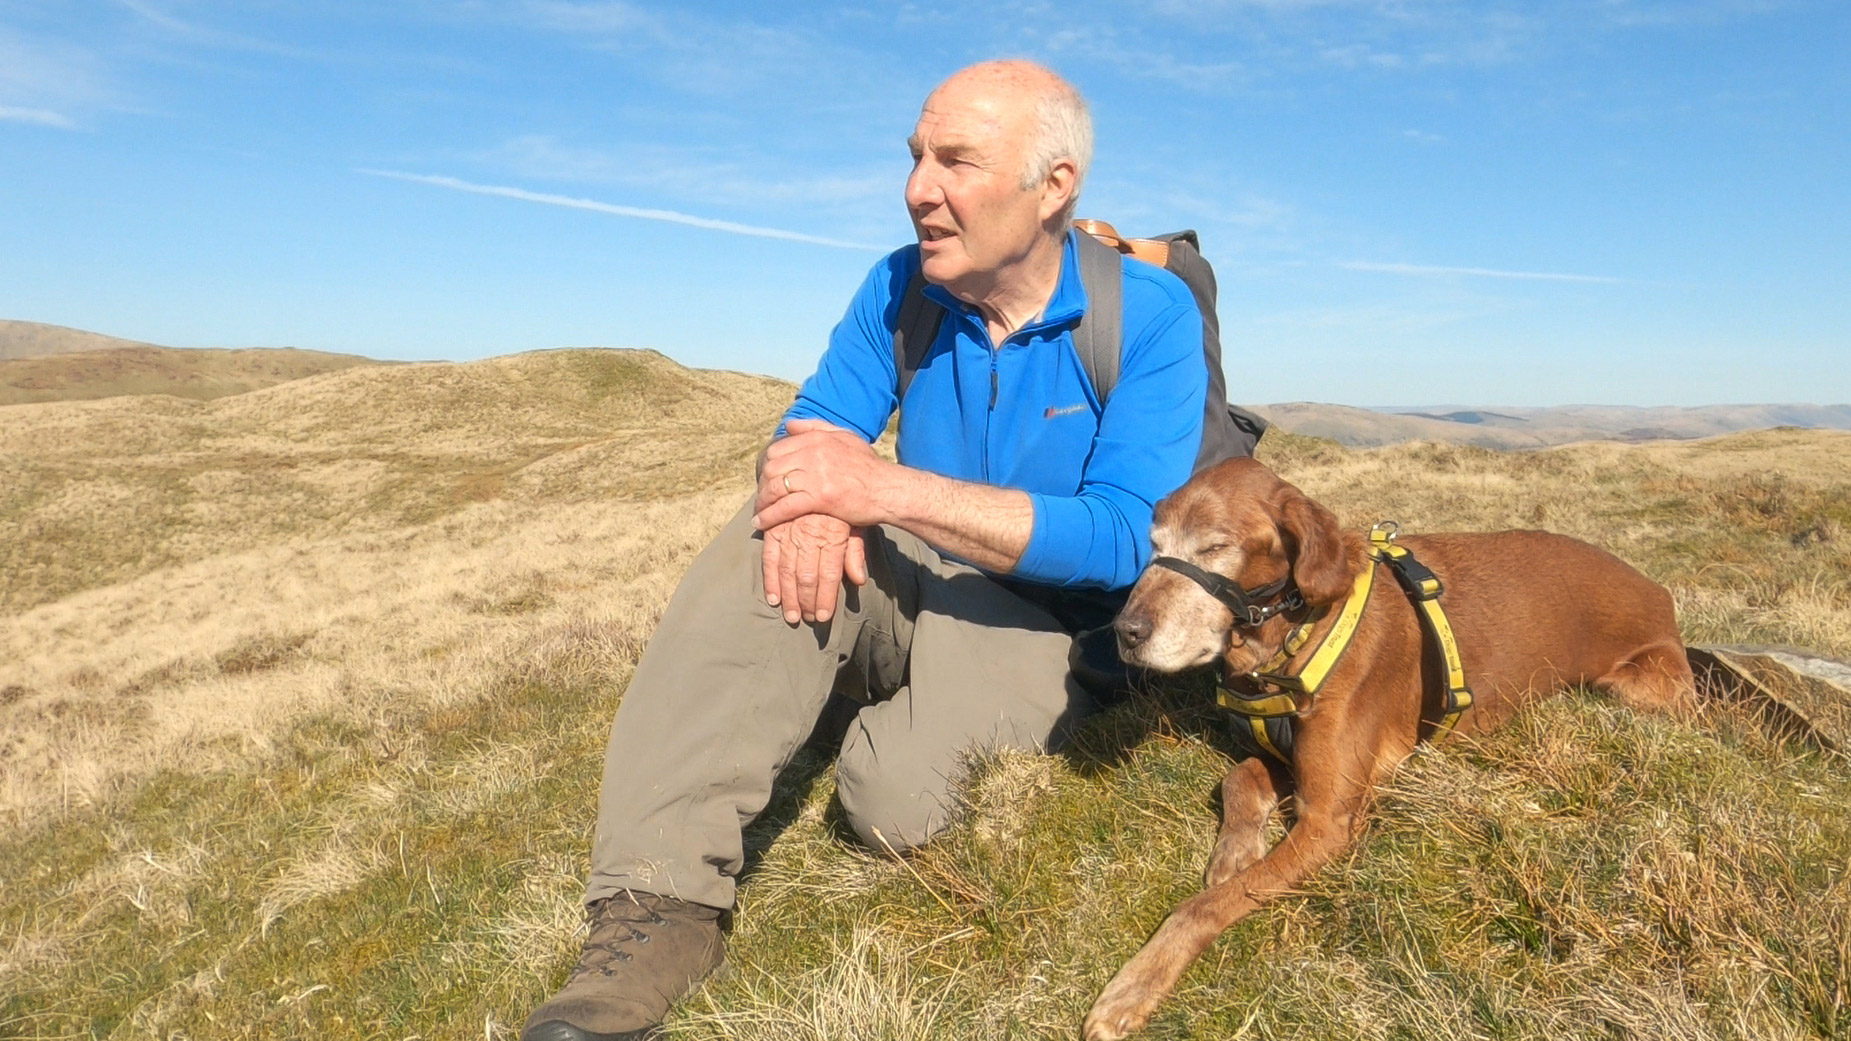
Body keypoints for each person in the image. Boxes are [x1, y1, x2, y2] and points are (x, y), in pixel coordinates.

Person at [522, 59, 1209, 1041]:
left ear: (1053, 185)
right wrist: (810, 497)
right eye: (916, 157)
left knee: (892, 801)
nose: (917, 188)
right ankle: (654, 909)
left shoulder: (1148, 316)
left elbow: (1119, 539)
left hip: (1055, 633)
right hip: (923, 580)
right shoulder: (899, 285)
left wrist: (877, 490)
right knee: (767, 529)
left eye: (956, 161)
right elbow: (811, 433)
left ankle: (839, 712)